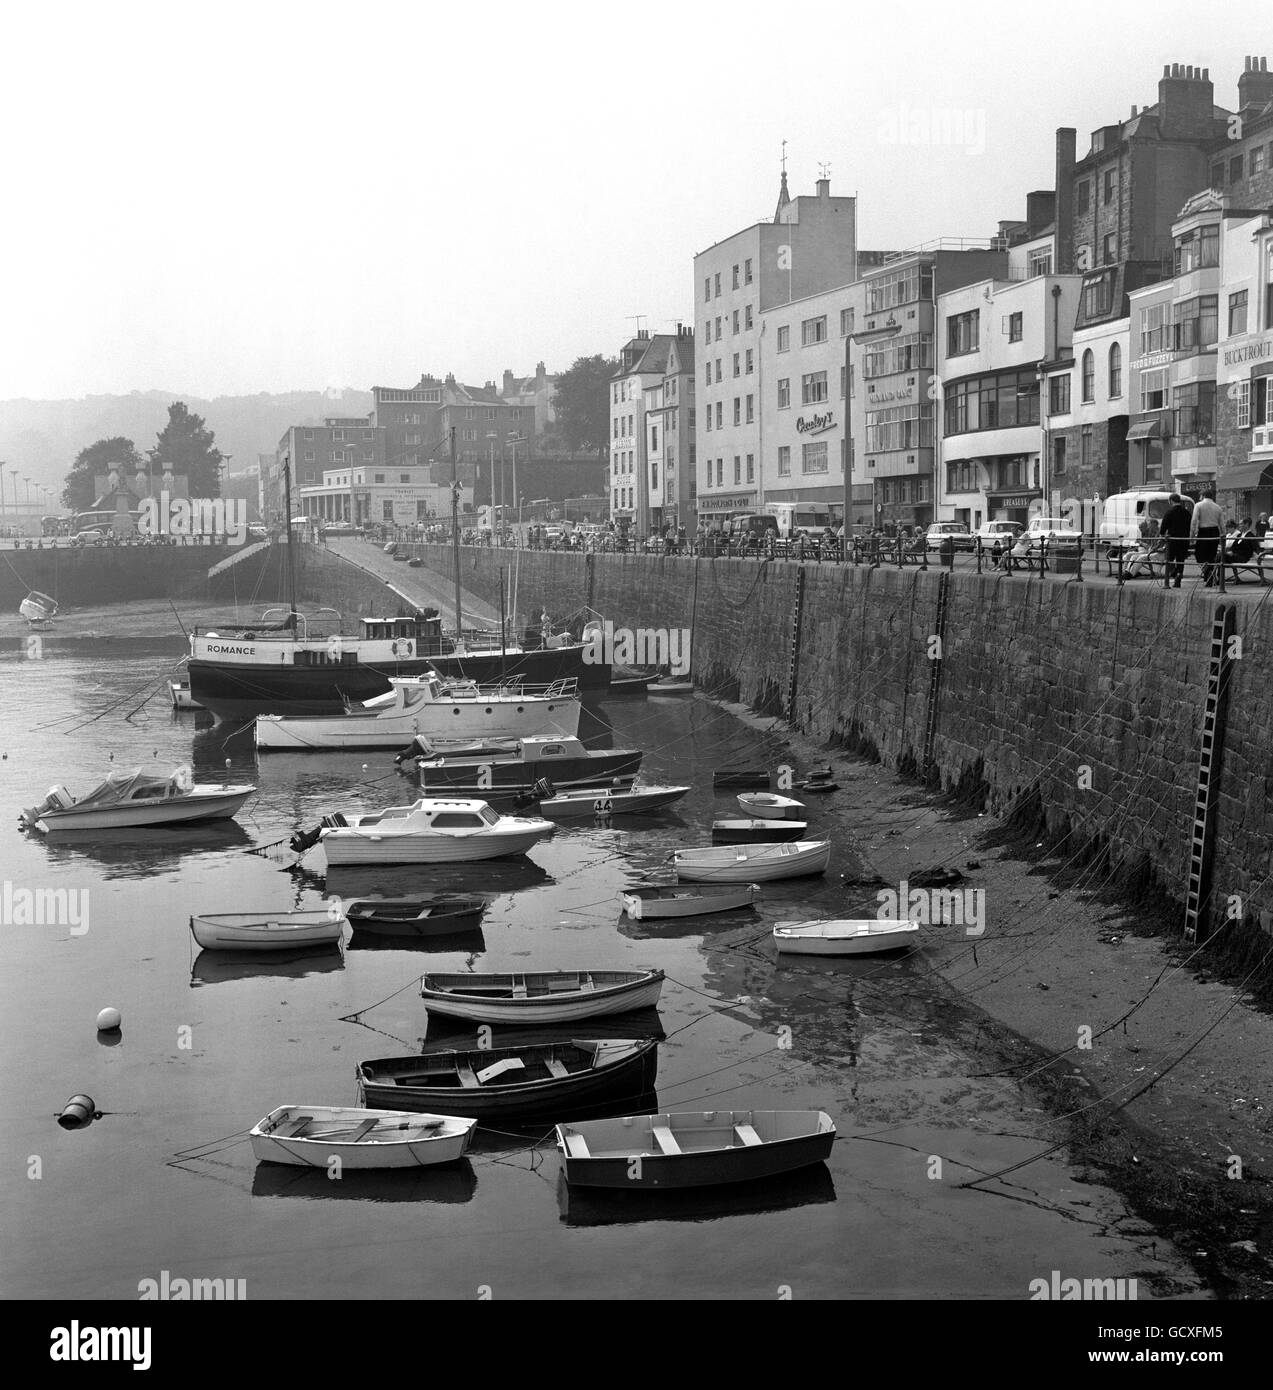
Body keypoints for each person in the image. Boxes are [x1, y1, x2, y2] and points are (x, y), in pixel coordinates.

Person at [1158, 492, 1192, 588]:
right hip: (1184, 540)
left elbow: (1163, 527)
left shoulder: (1169, 512)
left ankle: (1172, 575)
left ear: (1171, 501)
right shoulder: (1186, 513)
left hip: (1172, 540)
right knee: (1180, 560)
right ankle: (1178, 577)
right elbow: (1190, 526)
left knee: (1169, 559)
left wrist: (1161, 536)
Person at [1190, 492, 1223, 586]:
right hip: (1215, 531)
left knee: (1199, 554)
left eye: (1200, 496)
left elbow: (1194, 520)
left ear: (1203, 495)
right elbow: (1221, 523)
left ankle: (1208, 573)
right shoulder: (1218, 507)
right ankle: (1210, 575)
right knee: (1211, 555)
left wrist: (1192, 534)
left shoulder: (1198, 505)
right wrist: (1223, 534)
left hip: (1203, 531)